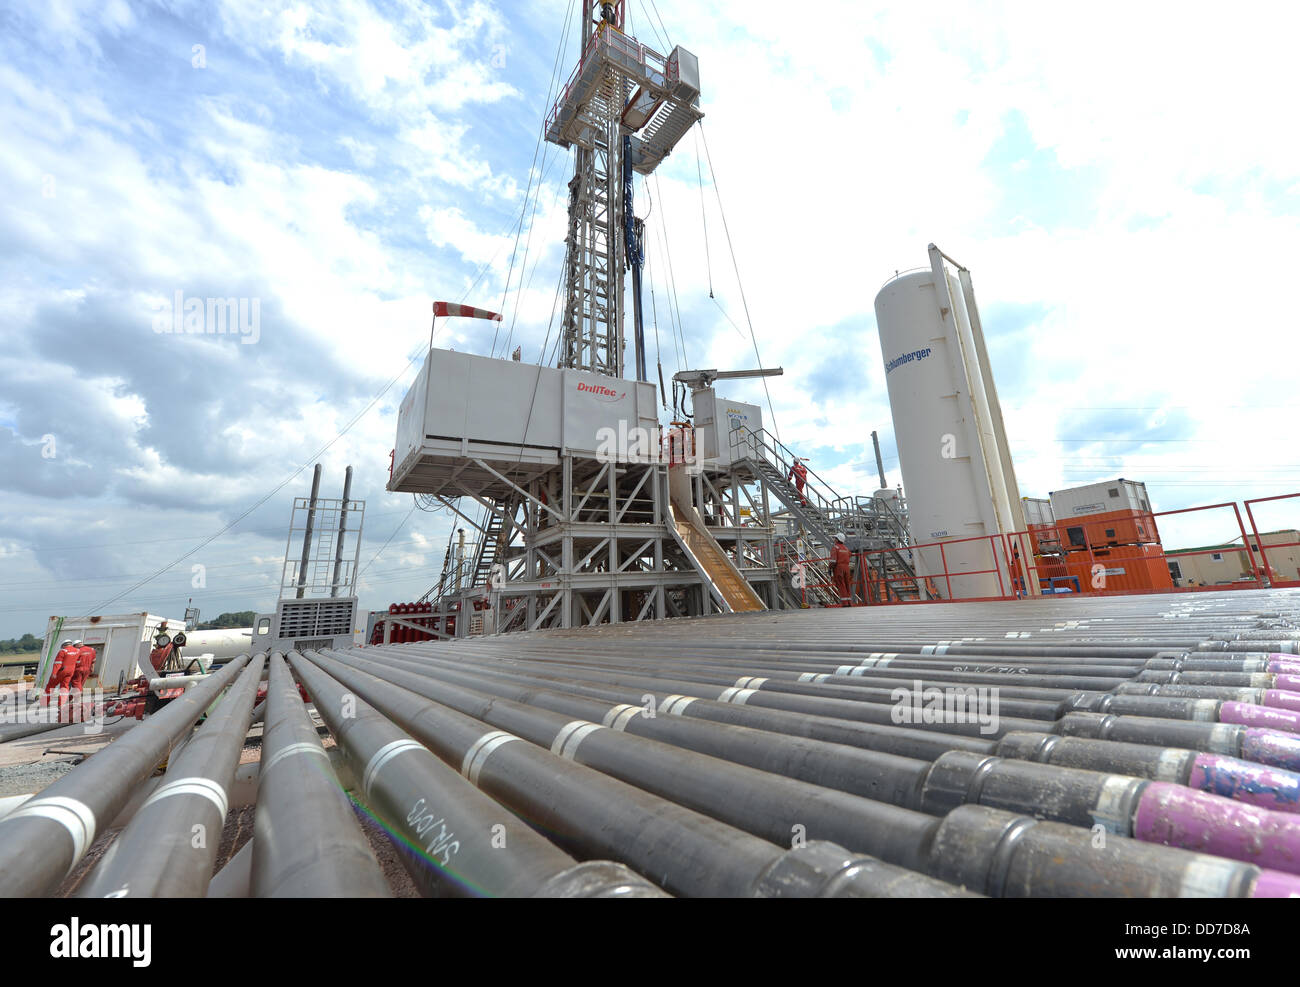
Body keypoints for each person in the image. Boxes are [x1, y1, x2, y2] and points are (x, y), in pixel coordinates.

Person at [44, 640, 77, 706]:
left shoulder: (63, 651)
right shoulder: (77, 651)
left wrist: (54, 673)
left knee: (50, 686)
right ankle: (61, 703)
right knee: (65, 687)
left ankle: (45, 702)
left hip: (61, 671)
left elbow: (58, 663)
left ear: (64, 645)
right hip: (71, 671)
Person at [830, 532, 852, 606]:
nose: (834, 540)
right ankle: (849, 602)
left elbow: (833, 560)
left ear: (837, 539)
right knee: (847, 584)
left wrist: (830, 568)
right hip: (847, 567)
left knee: (841, 584)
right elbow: (849, 555)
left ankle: (844, 603)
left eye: (835, 538)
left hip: (839, 568)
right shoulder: (846, 548)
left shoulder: (835, 548)